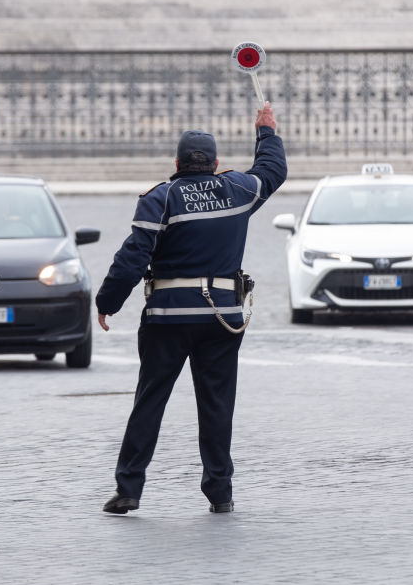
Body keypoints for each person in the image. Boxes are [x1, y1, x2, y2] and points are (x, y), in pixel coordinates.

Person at [96, 101, 286, 515]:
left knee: (150, 401)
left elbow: (133, 256)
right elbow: (272, 171)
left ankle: (128, 489)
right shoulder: (237, 189)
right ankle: (220, 493)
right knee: (216, 406)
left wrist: (108, 301)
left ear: (177, 163)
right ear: (215, 164)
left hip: (167, 318)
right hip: (221, 318)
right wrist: (266, 131)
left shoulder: (160, 198)